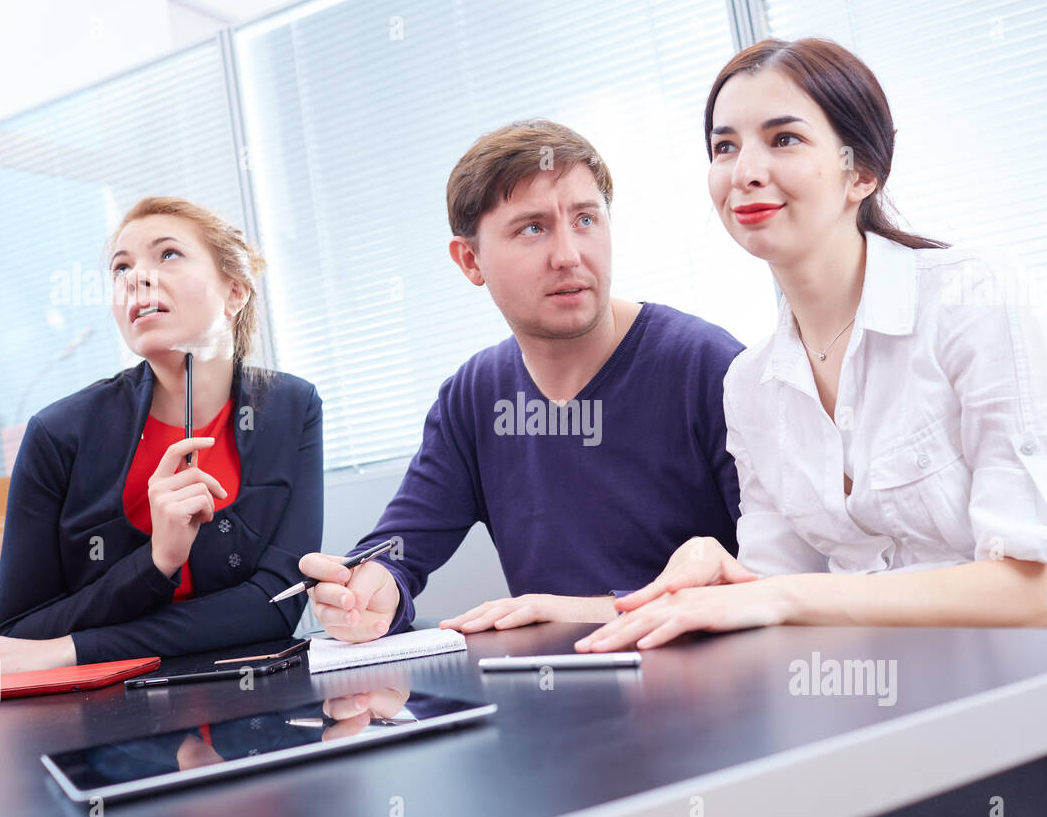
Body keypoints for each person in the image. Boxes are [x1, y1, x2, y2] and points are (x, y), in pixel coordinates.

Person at [579, 37, 1047, 817]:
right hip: (896, 691)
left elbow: (1031, 595)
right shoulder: (751, 382)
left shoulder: (976, 295)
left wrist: (776, 597)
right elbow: (779, 591)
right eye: (724, 146)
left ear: (861, 173)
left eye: (784, 138)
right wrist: (697, 575)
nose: (745, 170)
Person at [298, 120, 744, 641]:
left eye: (584, 219)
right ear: (471, 260)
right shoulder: (473, 397)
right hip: (559, 702)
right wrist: (370, 593)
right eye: (532, 228)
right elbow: (399, 549)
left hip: (713, 686)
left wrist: (583, 609)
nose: (569, 255)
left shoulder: (707, 365)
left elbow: (778, 577)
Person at [0, 197, 322, 689]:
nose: (136, 278)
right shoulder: (57, 434)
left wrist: (76, 648)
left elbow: (275, 606)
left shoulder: (291, 408)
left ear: (234, 291)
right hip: (103, 722)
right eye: (122, 267)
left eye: (167, 255)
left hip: (252, 702)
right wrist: (157, 561)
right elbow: (15, 636)